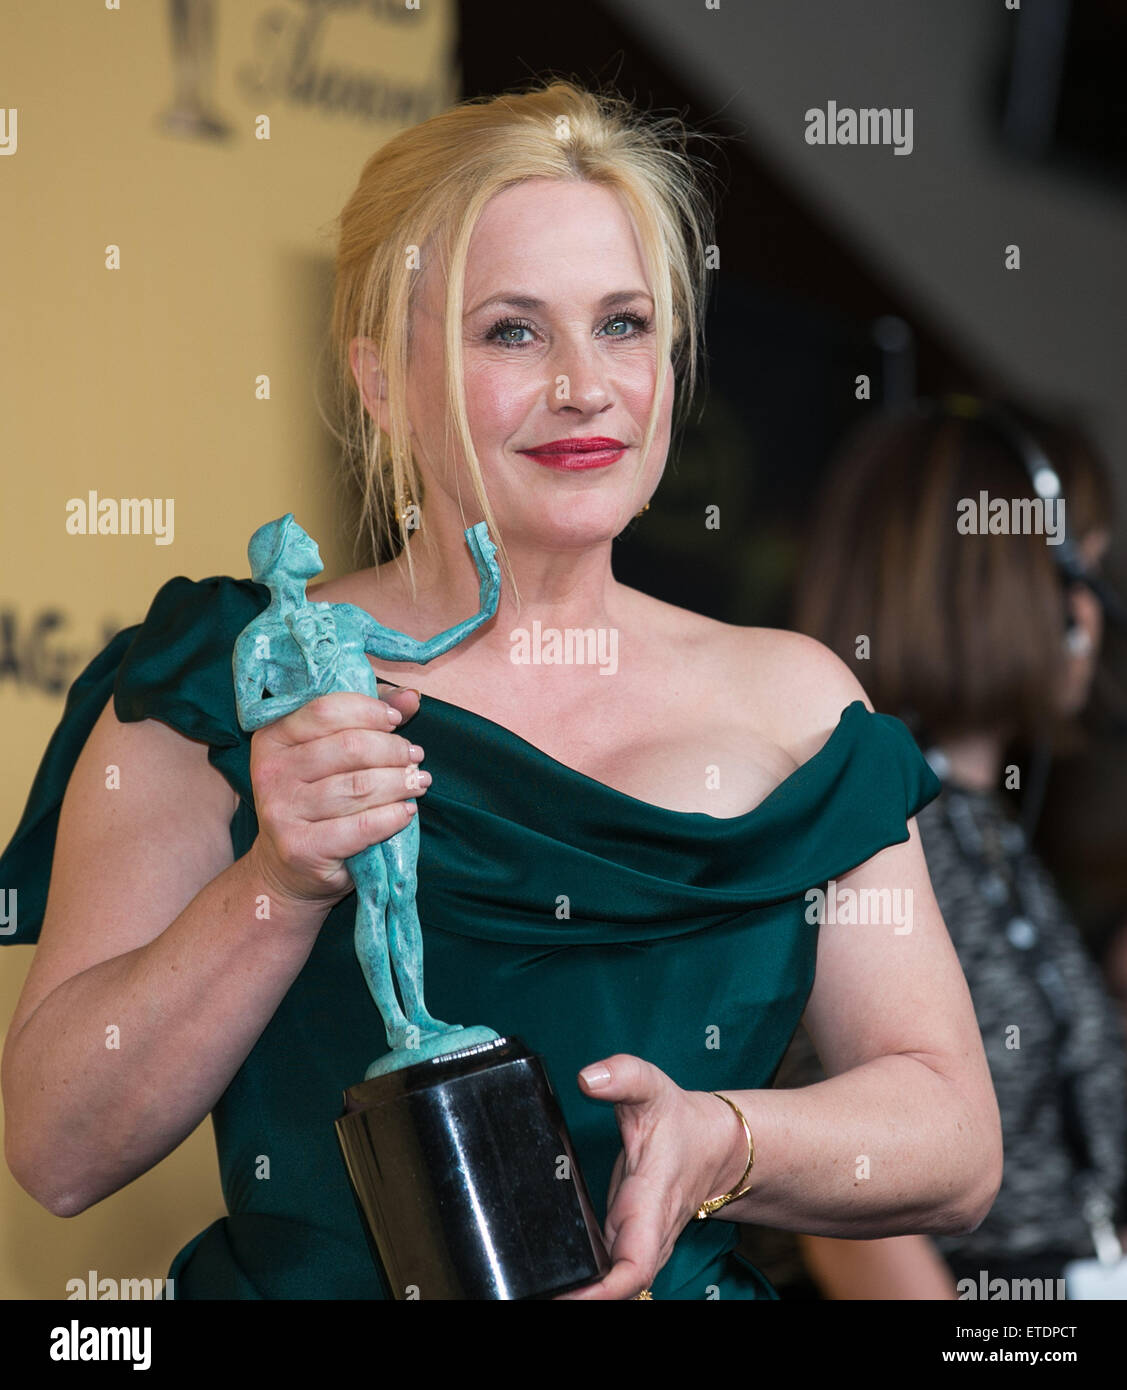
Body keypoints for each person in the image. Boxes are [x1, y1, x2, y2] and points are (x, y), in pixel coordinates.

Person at [0, 80, 1001, 1301]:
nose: (585, 385)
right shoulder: (230, 677)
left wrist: (724, 1140)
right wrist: (278, 879)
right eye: (511, 332)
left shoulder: (794, 702)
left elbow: (952, 1141)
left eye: (624, 323)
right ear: (381, 382)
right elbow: (57, 1148)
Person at [742, 396, 1127, 1299]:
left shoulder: (987, 835)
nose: (1095, 617)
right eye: (1092, 573)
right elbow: (847, 1218)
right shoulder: (864, 818)